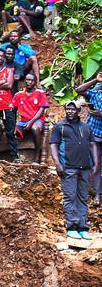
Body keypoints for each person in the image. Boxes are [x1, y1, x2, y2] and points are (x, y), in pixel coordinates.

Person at [50, 100, 96, 240]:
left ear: (78, 111)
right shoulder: (60, 127)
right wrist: (58, 164)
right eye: (68, 109)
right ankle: (71, 227)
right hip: (68, 167)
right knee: (70, 197)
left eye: (73, 109)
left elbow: (92, 144)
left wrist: (95, 162)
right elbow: (53, 145)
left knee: (82, 197)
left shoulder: (86, 127)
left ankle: (83, 227)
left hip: (85, 167)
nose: (70, 111)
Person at [75, 74, 102, 203]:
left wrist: (100, 114)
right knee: (96, 166)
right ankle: (97, 195)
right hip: (95, 136)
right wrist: (95, 80)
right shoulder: (95, 95)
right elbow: (79, 90)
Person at [14, 73, 50, 164]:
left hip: (37, 120)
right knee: (11, 129)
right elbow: (12, 109)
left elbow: (41, 110)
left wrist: (31, 122)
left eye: (31, 80)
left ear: (35, 82)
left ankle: (37, 156)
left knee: (35, 128)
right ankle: (15, 156)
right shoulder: (19, 95)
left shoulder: (40, 93)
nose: (29, 82)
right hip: (23, 122)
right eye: (27, 80)